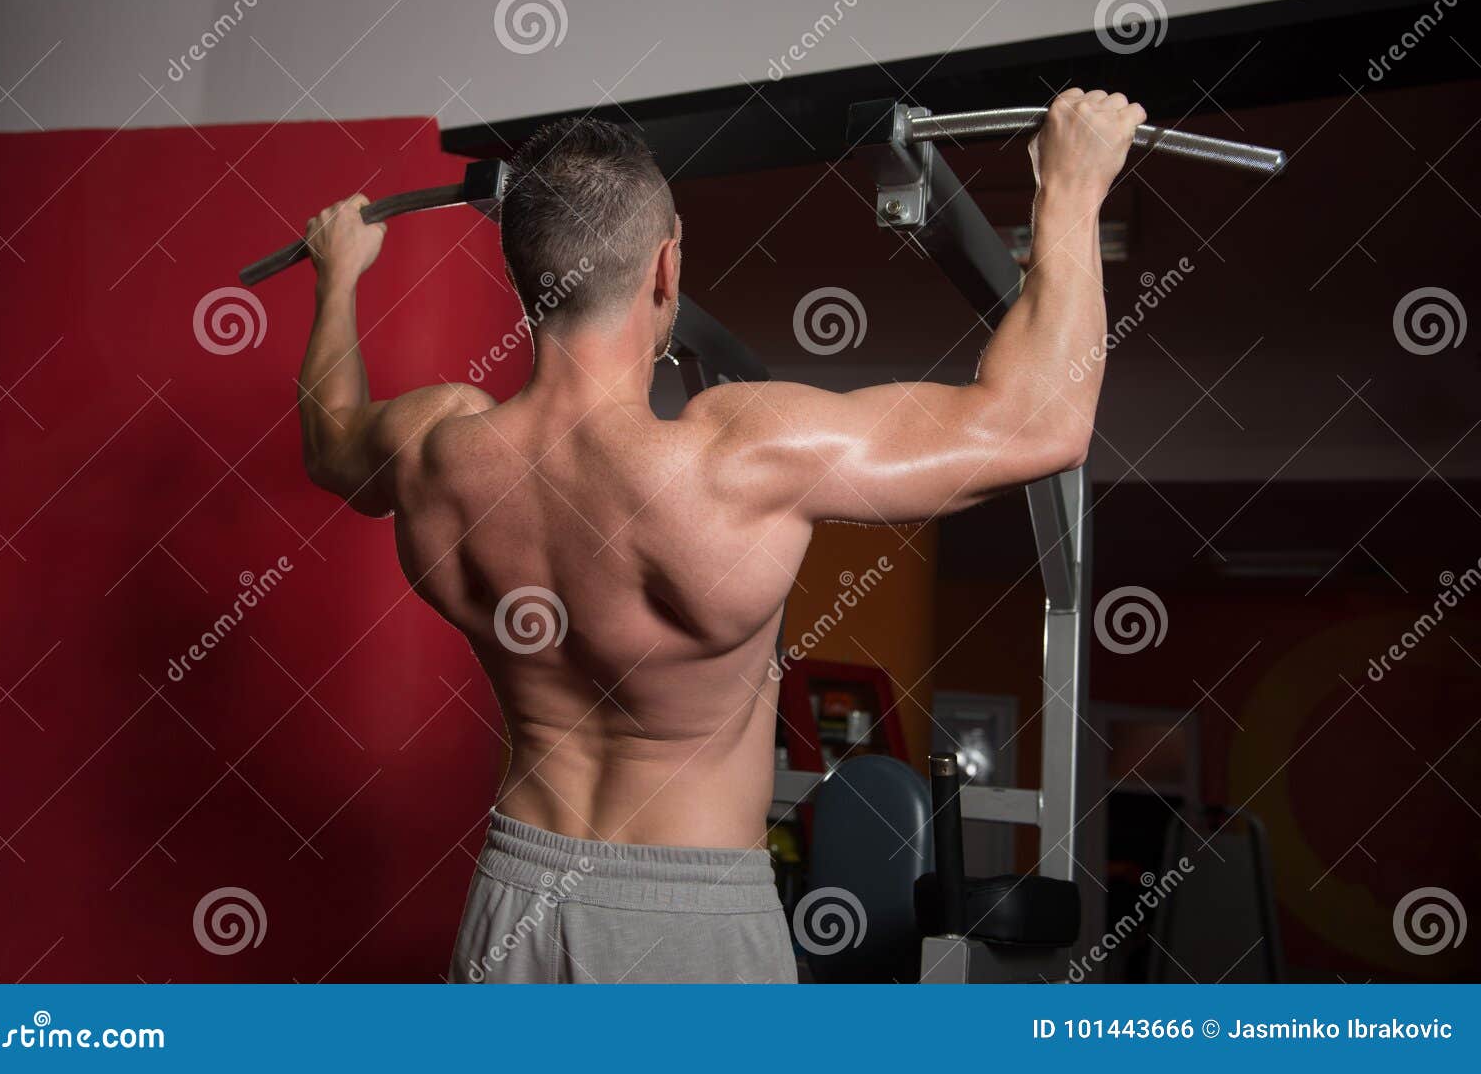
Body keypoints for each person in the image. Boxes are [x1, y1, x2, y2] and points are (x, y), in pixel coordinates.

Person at [294, 87, 1145, 983]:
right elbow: (1039, 426)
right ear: (666, 269)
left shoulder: (437, 448)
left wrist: (339, 274)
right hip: (687, 921)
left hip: (514, 900)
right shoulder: (732, 455)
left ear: (523, 272)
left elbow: (328, 440)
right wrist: (1073, 188)